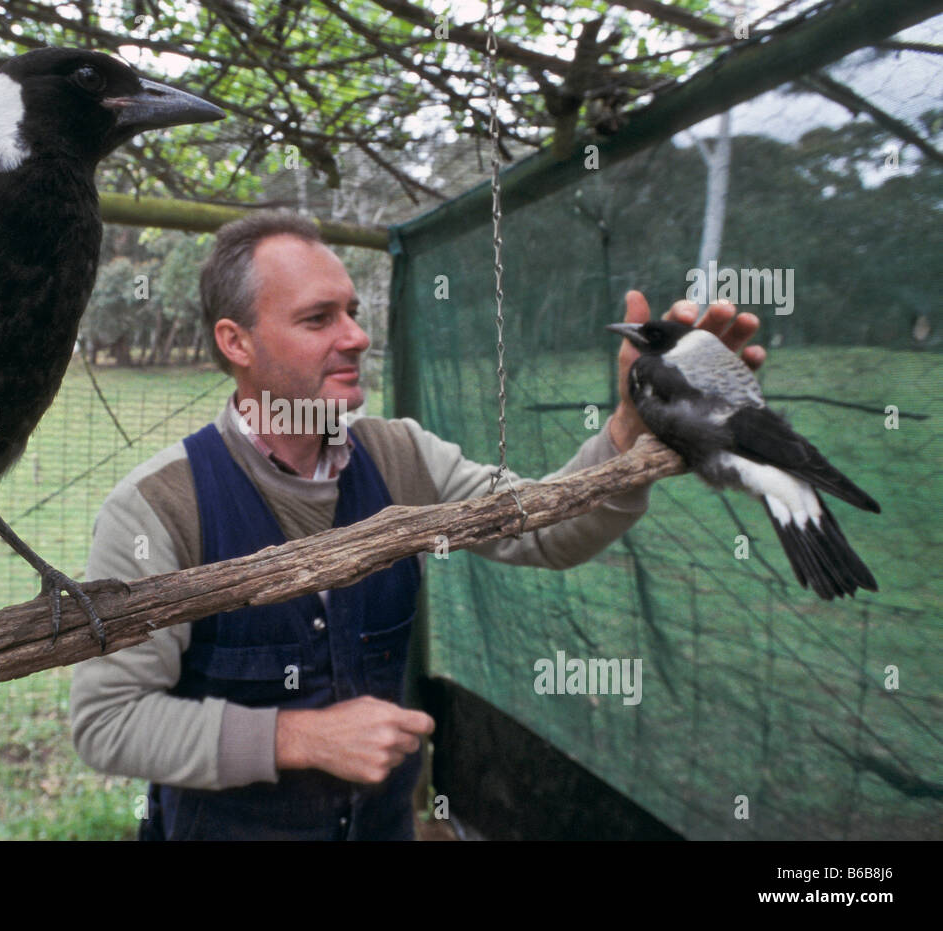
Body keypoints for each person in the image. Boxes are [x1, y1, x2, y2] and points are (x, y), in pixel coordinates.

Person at [68, 211, 763, 840]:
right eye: (319, 319)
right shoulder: (160, 506)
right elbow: (109, 721)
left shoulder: (400, 455)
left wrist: (629, 431)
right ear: (236, 341)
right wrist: (298, 737)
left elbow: (543, 528)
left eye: (354, 311)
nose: (358, 336)